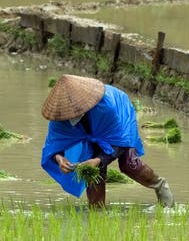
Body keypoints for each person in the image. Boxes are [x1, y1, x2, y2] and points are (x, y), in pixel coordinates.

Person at [41, 74, 174, 209]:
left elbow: (119, 143)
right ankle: (97, 211)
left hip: (120, 115)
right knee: (92, 172)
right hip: (91, 131)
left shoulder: (105, 107)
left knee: (129, 163)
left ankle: (160, 185)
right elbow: (54, 145)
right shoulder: (59, 120)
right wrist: (60, 159)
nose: (72, 114)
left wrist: (98, 160)